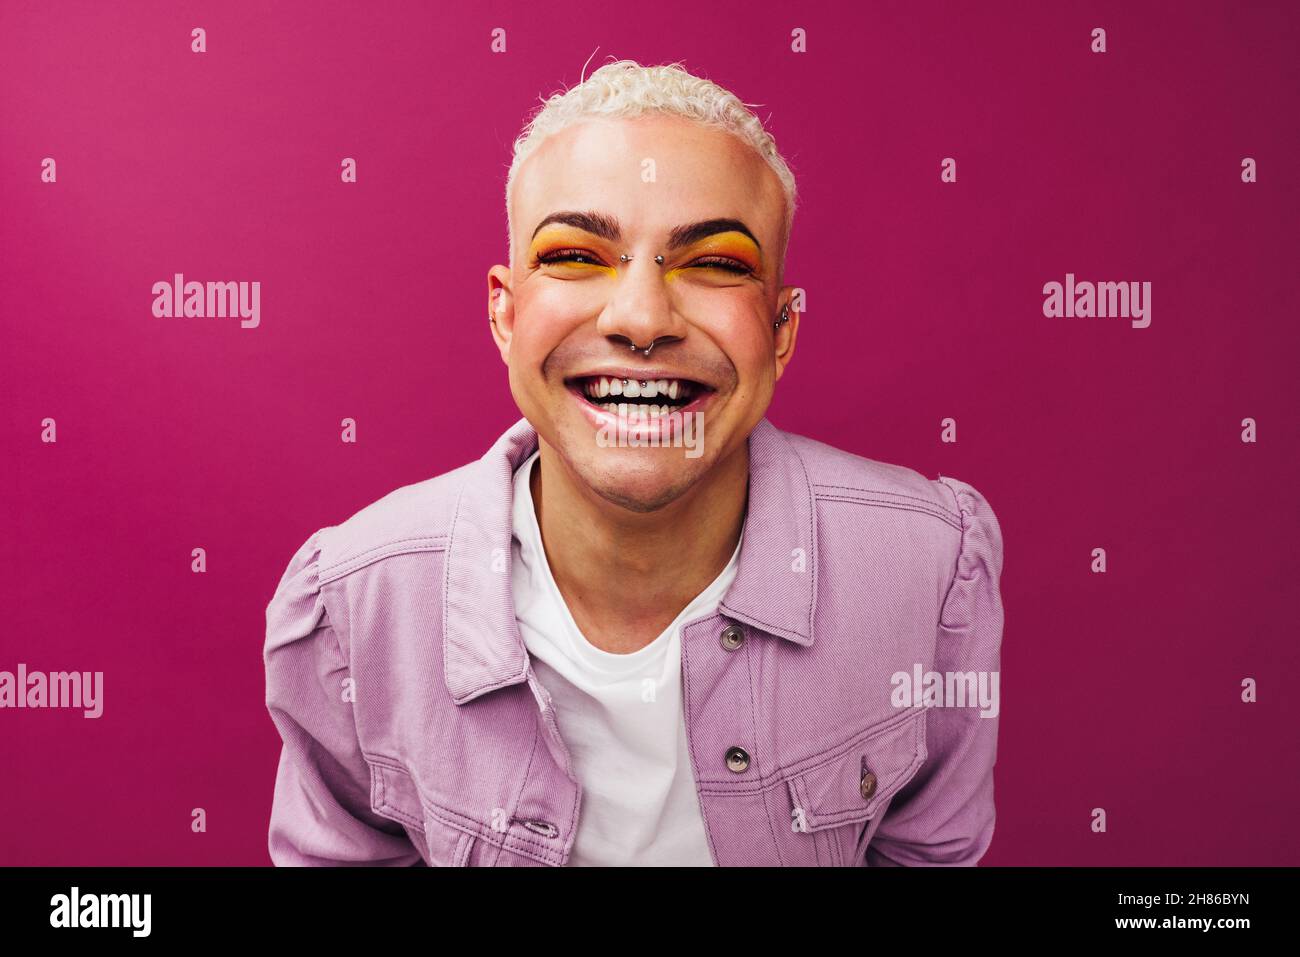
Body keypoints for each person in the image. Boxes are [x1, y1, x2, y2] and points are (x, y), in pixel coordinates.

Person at [263, 58, 1005, 867]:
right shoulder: (352, 600)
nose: (643, 318)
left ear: (782, 330)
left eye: (717, 263)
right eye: (577, 255)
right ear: (505, 315)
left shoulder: (932, 568)